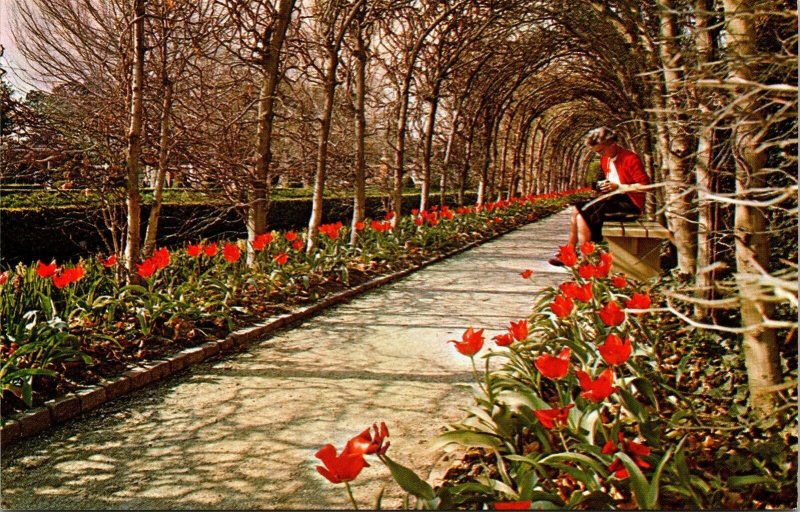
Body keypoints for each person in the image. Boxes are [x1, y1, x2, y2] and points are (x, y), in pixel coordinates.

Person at [548, 127, 650, 266]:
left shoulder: (630, 159)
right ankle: (571, 253)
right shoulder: (605, 159)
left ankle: (585, 261)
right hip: (613, 200)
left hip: (630, 205)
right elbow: (612, 181)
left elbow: (645, 187)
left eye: (601, 150)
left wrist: (619, 187)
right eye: (596, 151)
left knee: (583, 214)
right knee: (577, 210)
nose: (599, 154)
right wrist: (603, 188)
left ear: (612, 144)